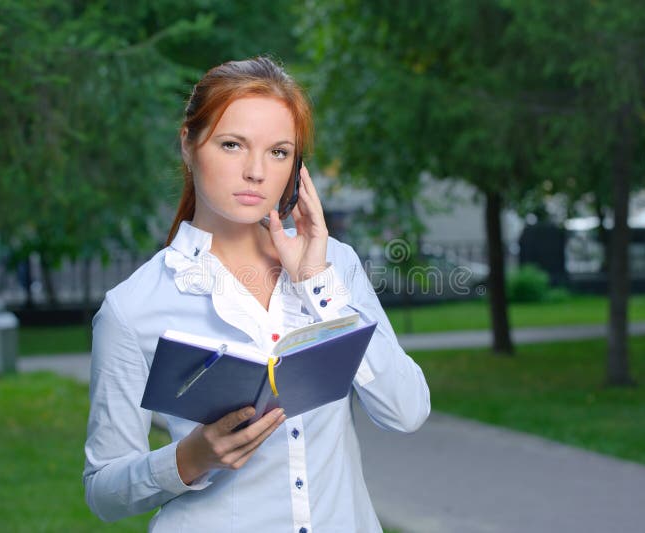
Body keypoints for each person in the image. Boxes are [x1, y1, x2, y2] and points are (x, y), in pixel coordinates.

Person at [83, 56, 430, 533]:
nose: (255, 172)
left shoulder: (336, 266)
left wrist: (318, 286)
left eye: (278, 152)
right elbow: (103, 490)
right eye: (232, 145)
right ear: (188, 145)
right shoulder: (133, 308)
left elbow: (406, 411)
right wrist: (189, 459)